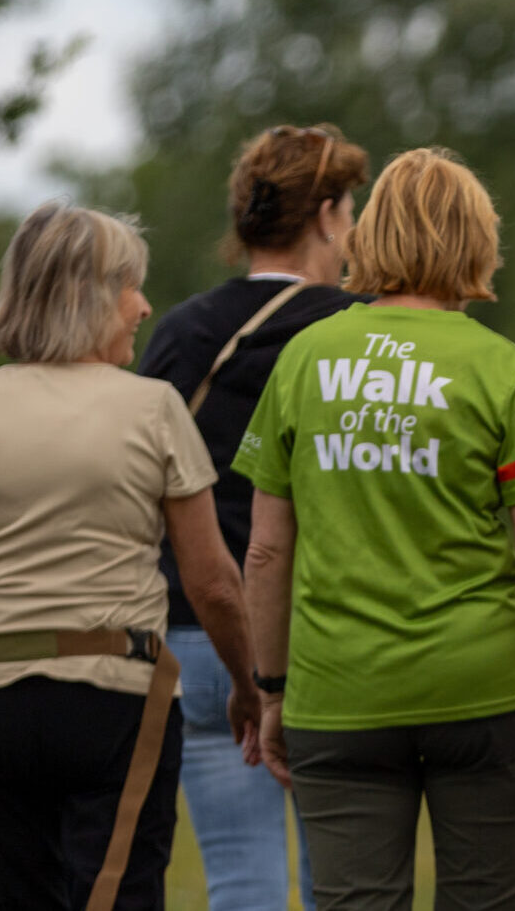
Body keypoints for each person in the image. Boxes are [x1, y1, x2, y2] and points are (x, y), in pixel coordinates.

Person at [0, 202, 258, 911]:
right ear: (91, 294)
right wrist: (250, 686)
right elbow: (212, 583)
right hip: (112, 698)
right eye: (130, 286)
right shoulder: (154, 408)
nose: (144, 307)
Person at [233, 147, 515, 911]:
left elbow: (266, 549)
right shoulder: (502, 368)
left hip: (337, 693)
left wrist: (271, 689)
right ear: (477, 242)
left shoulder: (303, 360)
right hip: (483, 694)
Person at [138, 122, 369, 911]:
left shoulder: (179, 332)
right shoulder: (355, 333)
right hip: (327, 632)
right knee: (344, 886)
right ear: (329, 213)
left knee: (242, 888)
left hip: (197, 636)